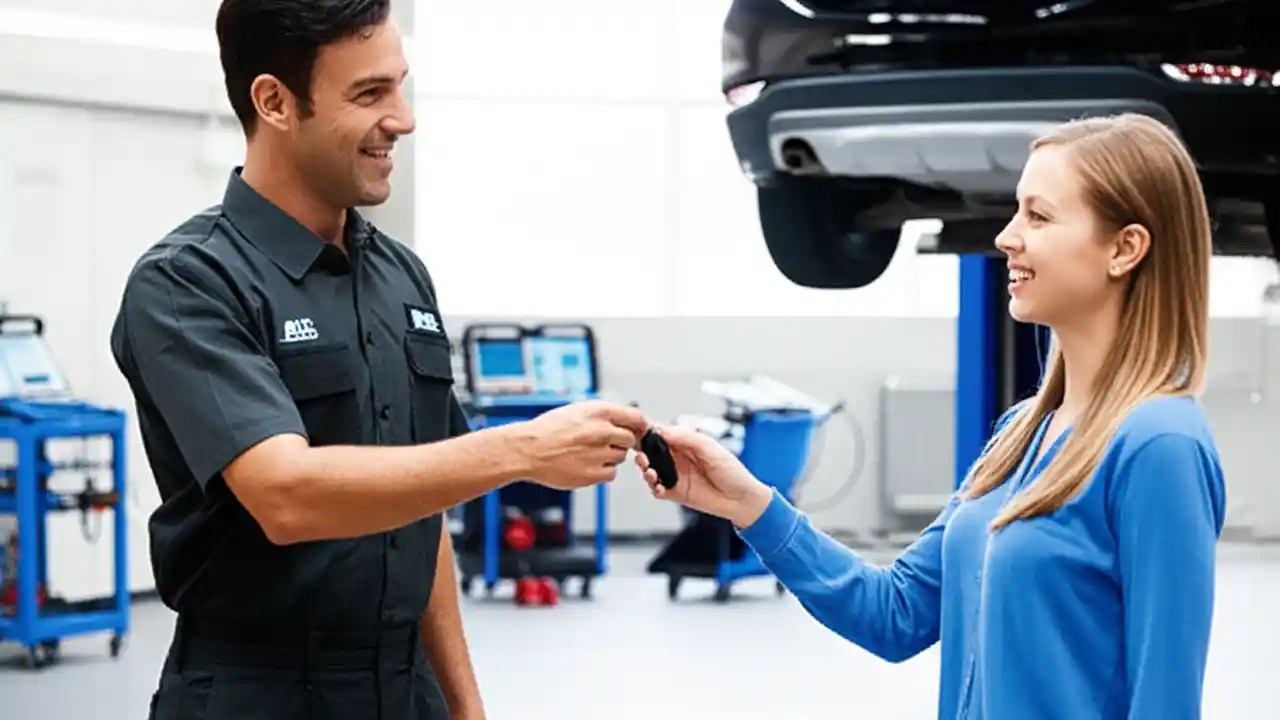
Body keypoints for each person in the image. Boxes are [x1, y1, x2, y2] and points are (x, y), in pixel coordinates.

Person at [109, 2, 648, 718]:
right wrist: (523, 448)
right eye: (370, 94)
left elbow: (421, 517)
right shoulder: (188, 283)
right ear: (274, 101)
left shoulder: (402, 278)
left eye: (401, 86)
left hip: (404, 688)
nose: (403, 118)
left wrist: (465, 706)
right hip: (257, 691)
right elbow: (285, 495)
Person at [635, 113, 1227, 719]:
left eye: (1039, 215)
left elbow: (1167, 701)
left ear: (1125, 248)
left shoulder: (1159, 444)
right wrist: (748, 504)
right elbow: (894, 614)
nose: (1006, 236)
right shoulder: (1021, 433)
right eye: (1016, 210)